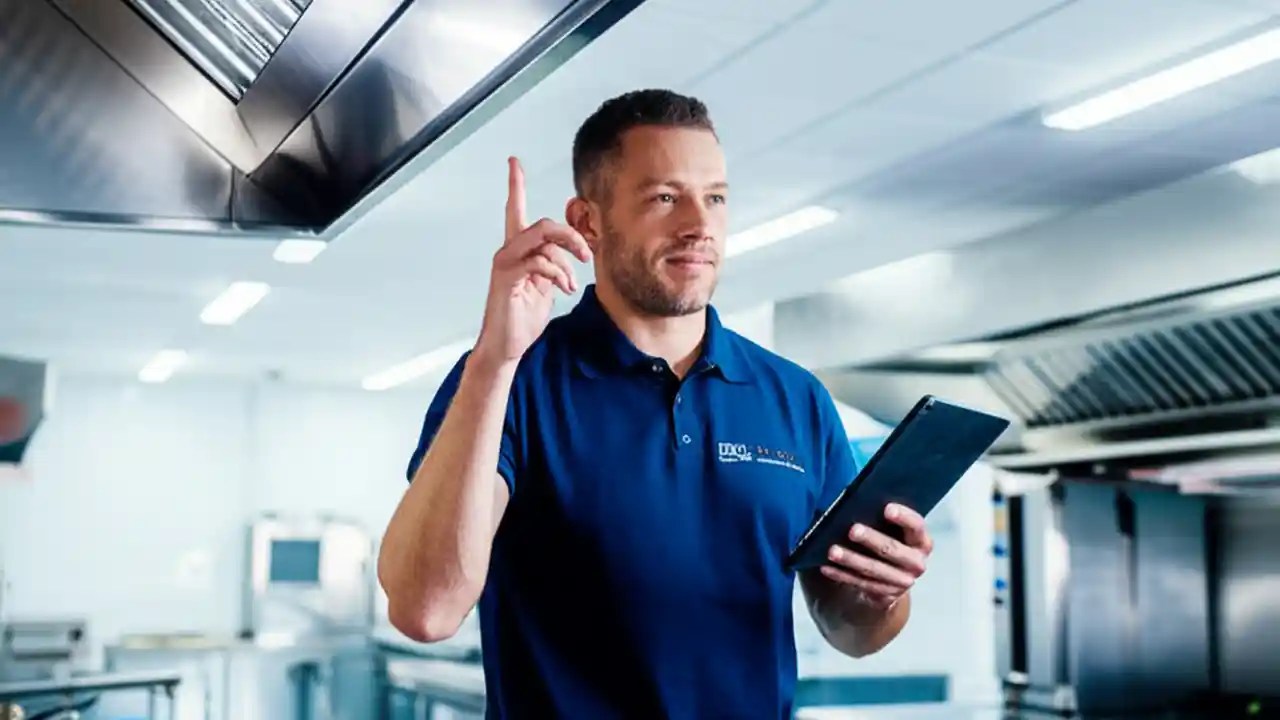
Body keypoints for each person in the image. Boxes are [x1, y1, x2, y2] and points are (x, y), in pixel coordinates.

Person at [378, 89, 934, 718]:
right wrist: (494, 360)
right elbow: (426, 610)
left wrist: (882, 592)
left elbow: (849, 630)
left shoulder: (795, 398)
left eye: (715, 197)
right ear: (587, 222)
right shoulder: (516, 381)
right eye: (665, 197)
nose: (699, 224)